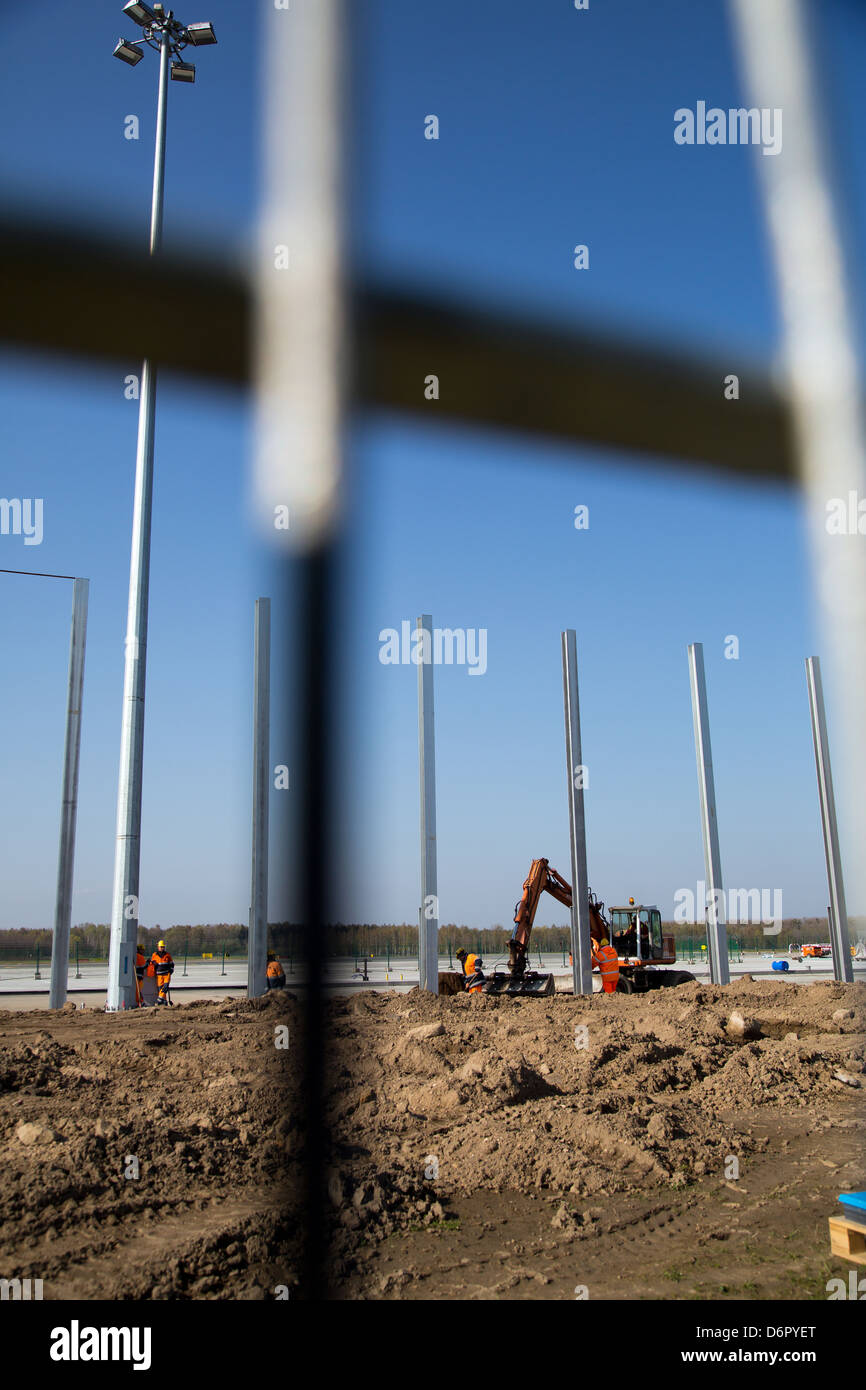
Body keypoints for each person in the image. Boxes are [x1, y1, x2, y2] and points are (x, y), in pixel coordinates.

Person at [150, 940, 174, 1006]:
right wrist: (153, 963)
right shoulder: (155, 955)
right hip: (159, 974)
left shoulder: (167, 955)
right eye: (161, 947)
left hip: (167, 974)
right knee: (160, 988)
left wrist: (171, 970)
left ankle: (159, 999)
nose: (162, 948)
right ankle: (164, 1001)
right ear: (158, 947)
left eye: (163, 947)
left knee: (165, 987)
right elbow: (151, 962)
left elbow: (172, 964)